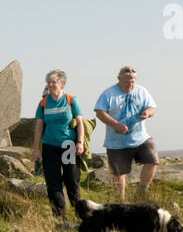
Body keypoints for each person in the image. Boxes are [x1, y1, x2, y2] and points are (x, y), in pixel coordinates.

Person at [93, 66, 158, 202]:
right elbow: (100, 113)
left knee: (152, 160)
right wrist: (115, 124)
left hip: (140, 137)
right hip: (117, 142)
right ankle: (121, 201)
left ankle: (142, 190)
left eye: (133, 81)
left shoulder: (141, 91)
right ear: (119, 79)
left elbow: (151, 107)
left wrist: (147, 113)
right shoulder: (109, 94)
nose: (130, 84)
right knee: (119, 173)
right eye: (127, 81)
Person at [31, 70, 84, 217]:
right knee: (52, 180)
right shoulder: (43, 103)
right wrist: (36, 149)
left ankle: (79, 212)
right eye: (48, 82)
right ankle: (59, 215)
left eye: (54, 82)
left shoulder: (70, 99)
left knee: (71, 178)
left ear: (62, 84)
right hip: (50, 146)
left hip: (68, 144)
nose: (50, 85)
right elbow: (39, 127)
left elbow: (80, 123)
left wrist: (79, 142)